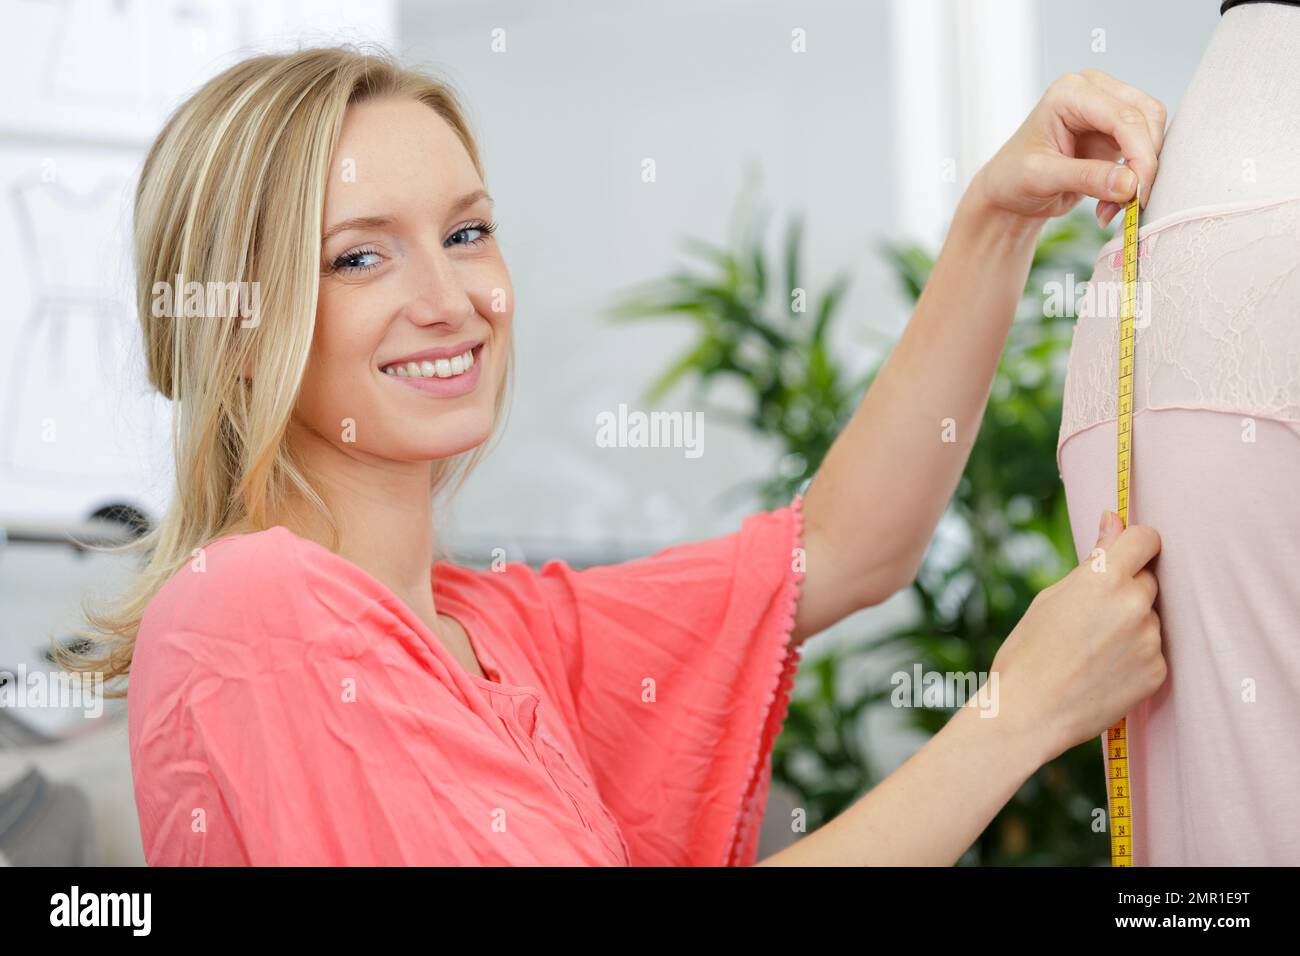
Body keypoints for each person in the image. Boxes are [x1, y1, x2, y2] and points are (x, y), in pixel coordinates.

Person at [64, 48, 1167, 866]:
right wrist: (1015, 714)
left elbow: (838, 548)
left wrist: (997, 215)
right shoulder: (255, 612)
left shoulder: (493, 633)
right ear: (241, 328)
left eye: (465, 232)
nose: (449, 301)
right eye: (359, 257)